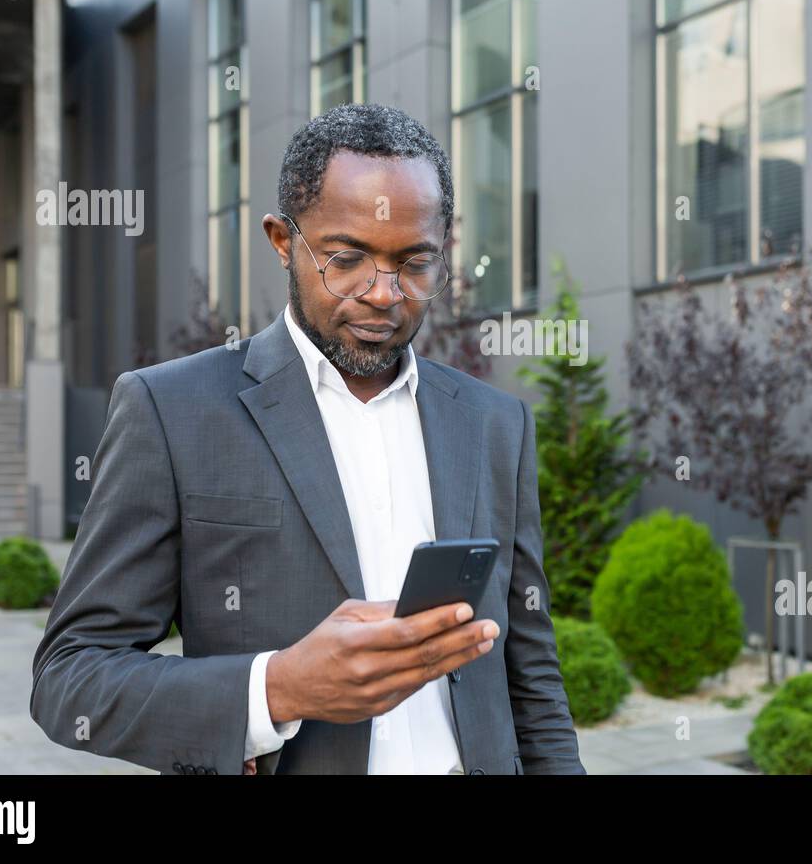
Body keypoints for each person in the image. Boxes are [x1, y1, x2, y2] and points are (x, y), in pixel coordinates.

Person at [30, 103, 585, 775]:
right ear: (282, 240)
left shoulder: (498, 424)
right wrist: (279, 686)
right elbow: (70, 680)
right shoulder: (171, 412)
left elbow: (532, 673)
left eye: (415, 263)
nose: (384, 294)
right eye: (346, 258)